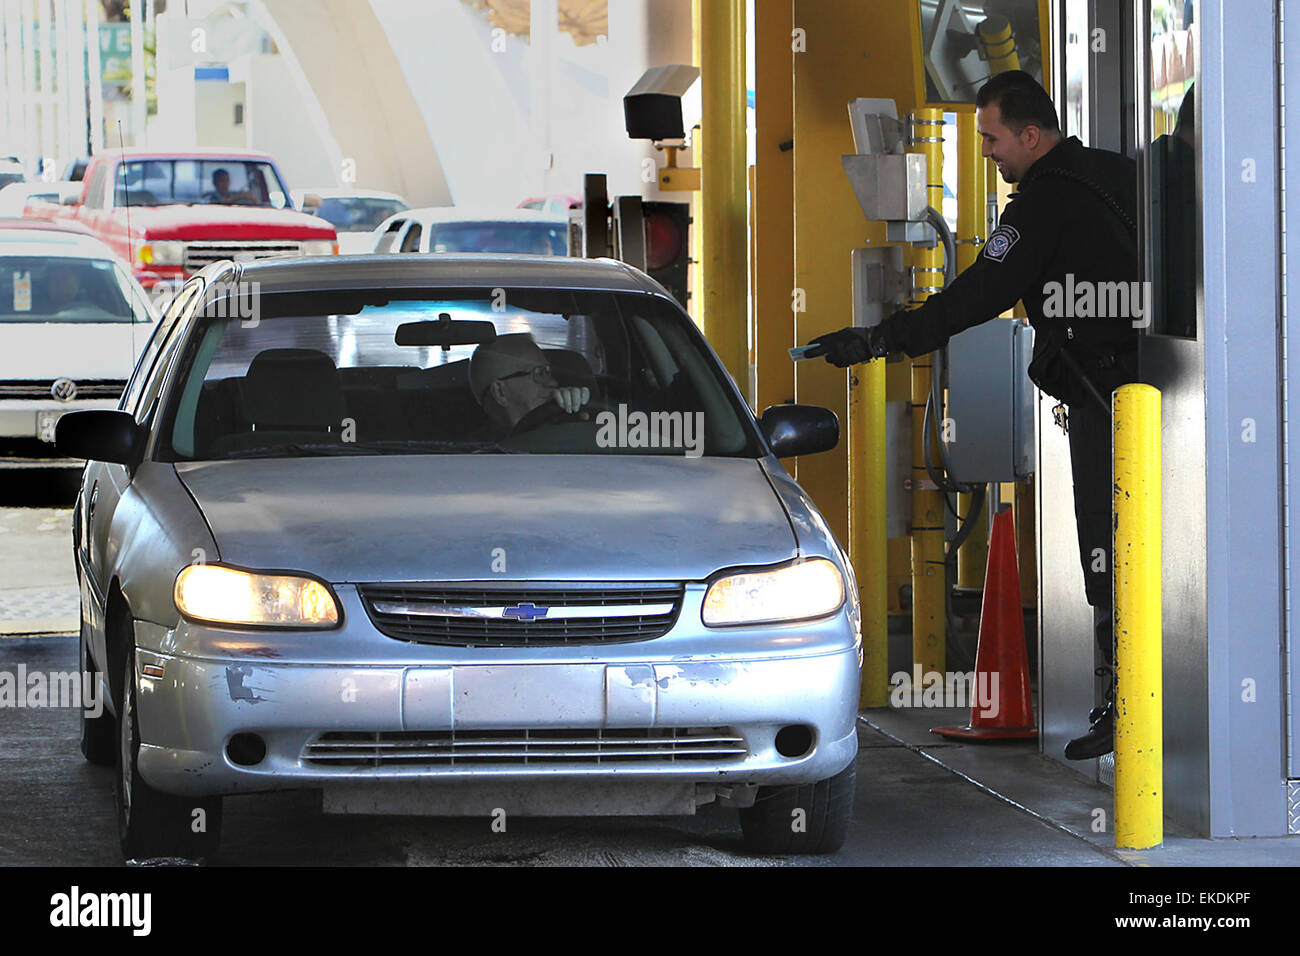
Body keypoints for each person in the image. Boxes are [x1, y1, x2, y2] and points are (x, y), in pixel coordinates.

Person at [805, 69, 1140, 760]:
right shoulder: (1121, 177)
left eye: (990, 137)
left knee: (1105, 551)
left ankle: (1124, 708)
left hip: (1102, 401)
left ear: (1029, 133)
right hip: (1163, 394)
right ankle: (1140, 704)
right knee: (1140, 549)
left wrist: (878, 340)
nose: (986, 149)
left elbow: (977, 295)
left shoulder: (1041, 204)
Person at [469, 333, 590, 435]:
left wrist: (576, 413)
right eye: (539, 372)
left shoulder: (565, 426)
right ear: (500, 392)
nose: (553, 382)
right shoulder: (474, 456)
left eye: (548, 372)